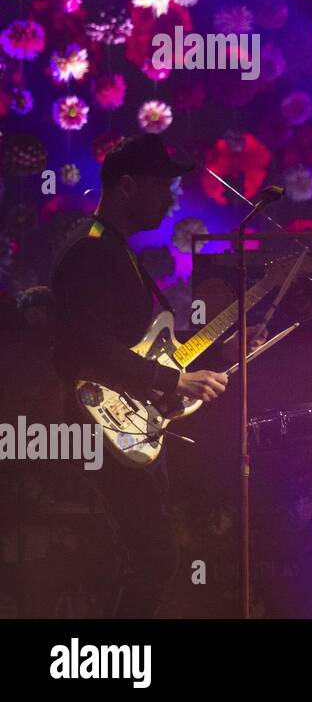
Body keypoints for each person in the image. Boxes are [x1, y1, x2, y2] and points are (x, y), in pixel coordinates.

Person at [51, 134, 230, 618]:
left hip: (129, 425)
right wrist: (174, 383)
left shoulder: (117, 250)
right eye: (161, 187)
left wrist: (230, 344)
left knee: (150, 556)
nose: (170, 198)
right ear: (127, 187)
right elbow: (90, 344)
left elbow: (139, 343)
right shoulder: (91, 252)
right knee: (153, 557)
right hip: (101, 427)